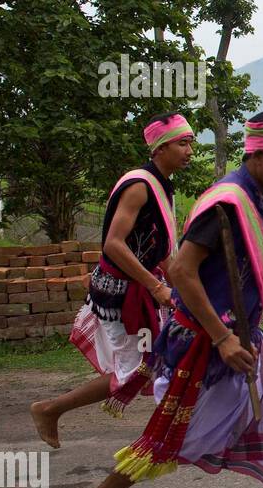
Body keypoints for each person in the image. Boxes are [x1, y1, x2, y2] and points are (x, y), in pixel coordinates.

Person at [72, 108, 263, 488]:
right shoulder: (225, 204)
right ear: (258, 155)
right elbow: (181, 271)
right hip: (209, 343)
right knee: (181, 438)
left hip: (244, 337)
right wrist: (221, 337)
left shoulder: (259, 192)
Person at [31, 113, 194, 447]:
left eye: (191, 141)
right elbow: (114, 245)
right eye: (183, 142)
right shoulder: (139, 186)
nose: (190, 149)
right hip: (121, 294)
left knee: (159, 358)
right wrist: (156, 285)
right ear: (160, 147)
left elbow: (159, 249)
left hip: (138, 290)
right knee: (136, 369)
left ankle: (176, 430)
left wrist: (185, 284)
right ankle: (50, 409)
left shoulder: (162, 185)